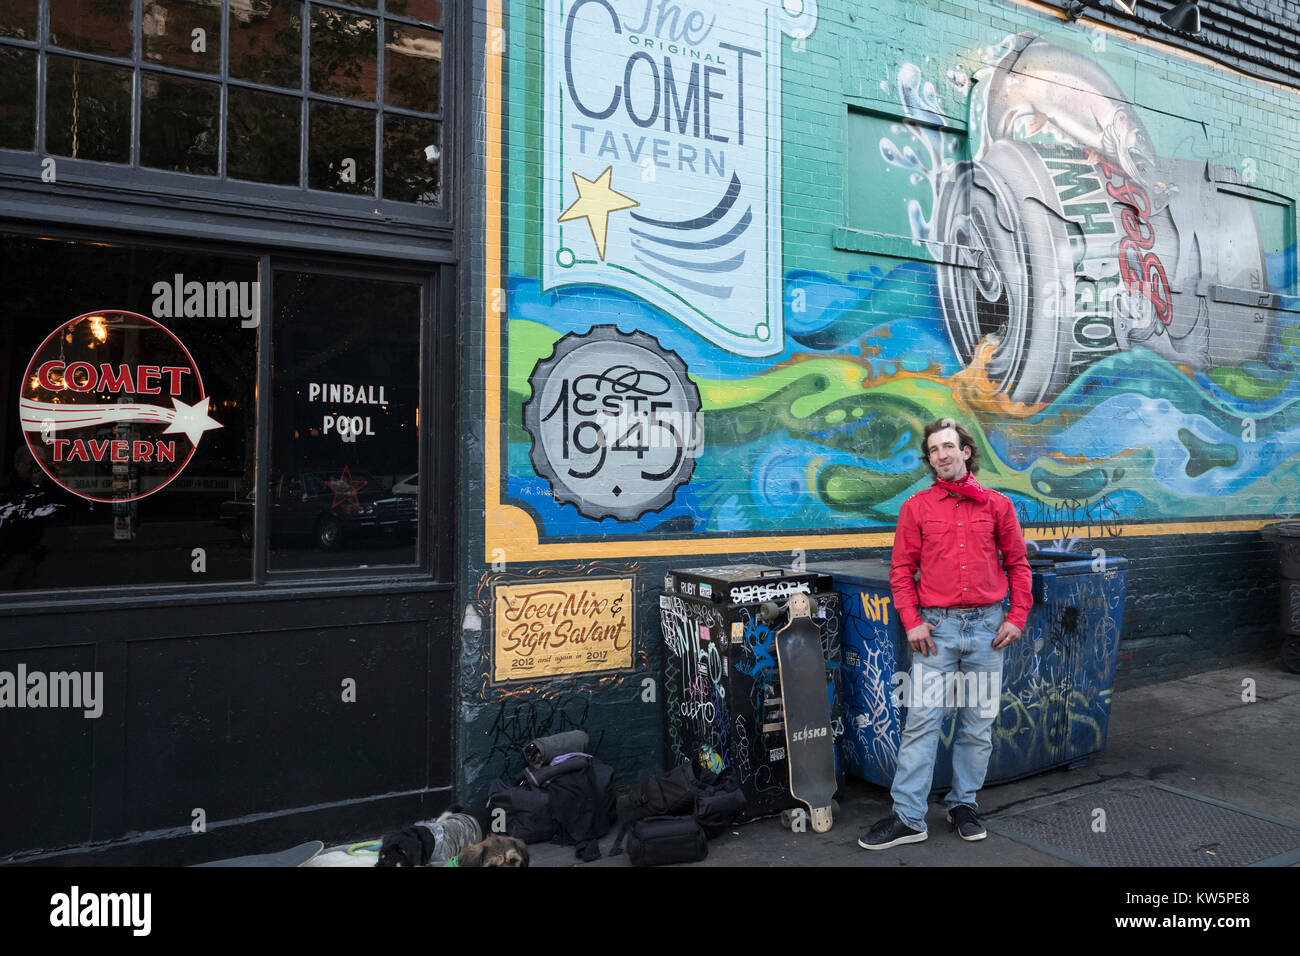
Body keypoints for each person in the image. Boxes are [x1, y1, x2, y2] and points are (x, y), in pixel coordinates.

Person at [859, 417, 1031, 849]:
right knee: (921, 722)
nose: (943, 455)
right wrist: (911, 620)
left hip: (989, 629)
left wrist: (1017, 616)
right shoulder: (917, 508)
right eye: (934, 450)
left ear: (966, 451)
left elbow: (1018, 564)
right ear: (930, 459)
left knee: (977, 726)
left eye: (949, 446)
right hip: (937, 631)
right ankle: (909, 817)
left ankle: (963, 805)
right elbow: (901, 570)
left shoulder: (997, 505)